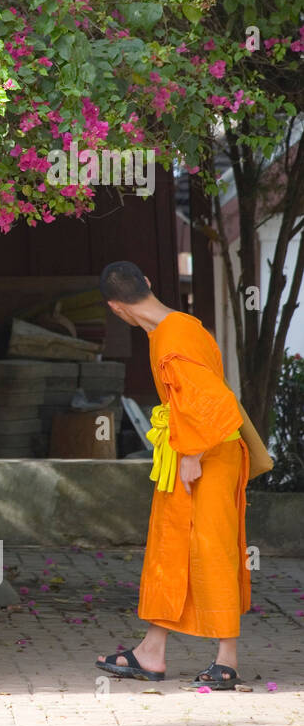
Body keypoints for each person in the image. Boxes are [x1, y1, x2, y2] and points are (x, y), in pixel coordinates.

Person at [95, 261, 251, 690]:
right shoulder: (179, 325)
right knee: (172, 547)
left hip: (205, 454)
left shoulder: (170, 340)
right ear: (146, 282)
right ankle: (152, 651)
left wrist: (193, 454)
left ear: (115, 308)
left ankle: (228, 659)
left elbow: (215, 402)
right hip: (188, 450)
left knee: (210, 548)